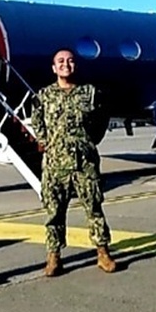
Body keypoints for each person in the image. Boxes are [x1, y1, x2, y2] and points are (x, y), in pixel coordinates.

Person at [32, 48, 118, 277]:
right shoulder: (43, 95)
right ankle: (54, 257)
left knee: (94, 209)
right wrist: (45, 142)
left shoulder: (89, 93)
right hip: (55, 165)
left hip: (84, 164)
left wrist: (89, 142)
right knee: (54, 213)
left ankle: (103, 252)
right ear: (53, 67)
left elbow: (101, 119)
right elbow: (37, 122)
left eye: (70, 61)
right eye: (60, 61)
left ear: (75, 66)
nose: (65, 64)